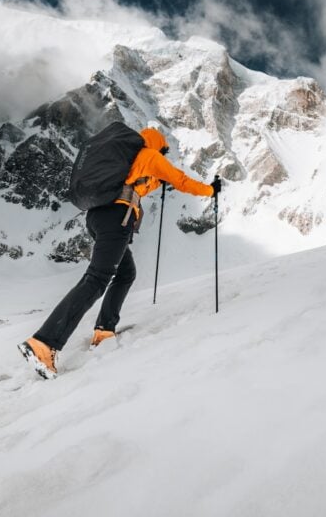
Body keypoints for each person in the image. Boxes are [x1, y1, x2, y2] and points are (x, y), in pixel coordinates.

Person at [18, 127, 222, 379]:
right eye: (164, 150)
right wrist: (210, 190)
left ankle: (104, 330)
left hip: (97, 217)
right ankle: (44, 342)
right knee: (96, 279)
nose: (164, 154)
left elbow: (140, 181)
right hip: (117, 219)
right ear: (158, 145)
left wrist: (159, 182)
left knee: (126, 273)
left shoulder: (128, 159)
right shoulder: (150, 155)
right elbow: (181, 180)